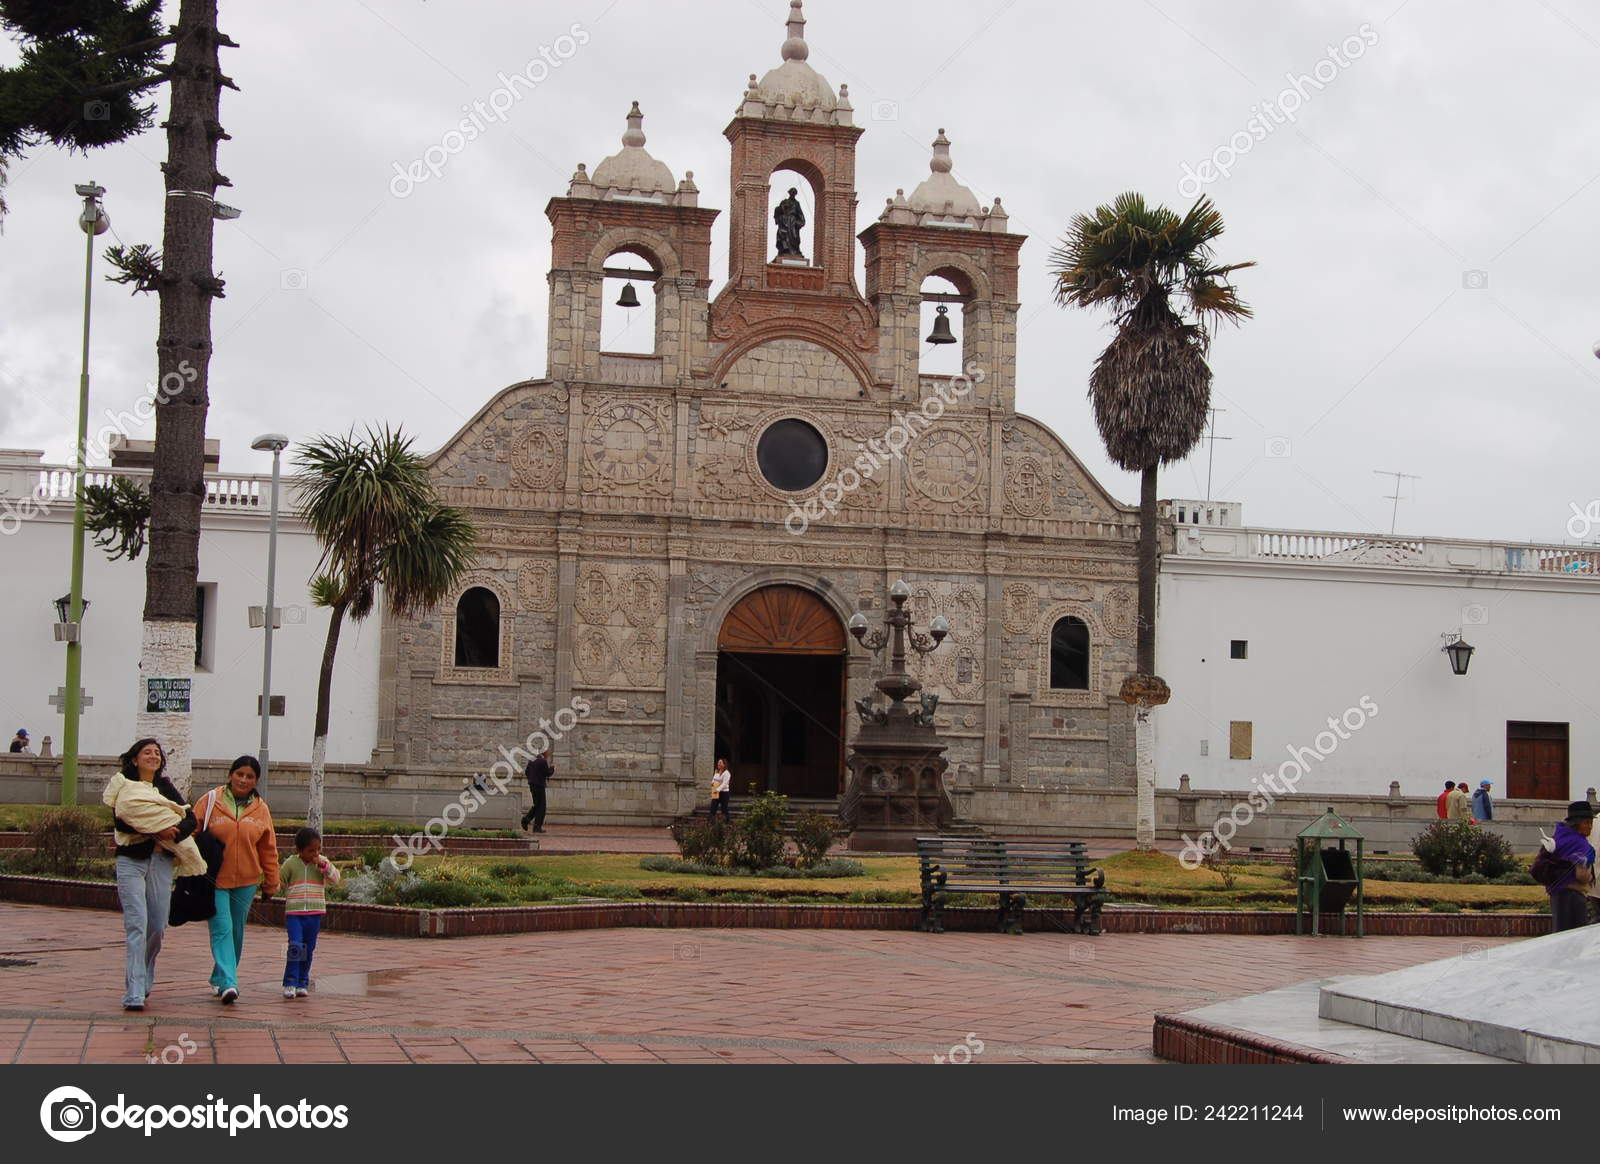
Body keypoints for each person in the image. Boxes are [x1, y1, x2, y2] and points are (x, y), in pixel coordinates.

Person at [106, 738, 195, 1011]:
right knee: (136, 924)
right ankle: (134, 990)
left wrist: (173, 833)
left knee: (156, 925)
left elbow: (191, 819)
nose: (153, 756)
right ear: (135, 758)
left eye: (157, 753)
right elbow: (121, 818)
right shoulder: (123, 783)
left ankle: (144, 974)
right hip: (131, 861)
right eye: (147, 752)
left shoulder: (165, 787)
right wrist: (155, 830)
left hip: (161, 861)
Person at [197, 756, 279, 1004]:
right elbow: (191, 829)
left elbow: (268, 847)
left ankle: (220, 976)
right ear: (230, 774)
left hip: (246, 880)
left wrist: (271, 881)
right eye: (240, 774)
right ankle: (230, 984)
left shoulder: (261, 809)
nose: (244, 780)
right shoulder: (211, 801)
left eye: (250, 776)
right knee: (222, 928)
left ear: (256, 781)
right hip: (214, 879)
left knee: (236, 932)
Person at [277, 827, 339, 999]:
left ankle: (303, 982)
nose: (315, 853)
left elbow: (336, 879)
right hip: (295, 914)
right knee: (296, 946)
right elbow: (280, 880)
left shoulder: (322, 863)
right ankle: (290, 981)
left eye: (318, 849)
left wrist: (325, 866)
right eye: (311, 850)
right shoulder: (291, 863)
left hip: (314, 913)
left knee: (309, 948)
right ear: (299, 850)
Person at [1542, 801, 1595, 933]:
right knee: (1574, 936)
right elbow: (1582, 876)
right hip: (1573, 894)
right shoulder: (1580, 843)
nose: (1590, 827)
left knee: (1560, 932)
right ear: (1577, 824)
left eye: (1591, 823)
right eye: (1586, 823)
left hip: (1557, 892)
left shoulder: (1559, 836)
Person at [521, 747, 552, 833]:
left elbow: (527, 772)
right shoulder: (543, 761)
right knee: (542, 807)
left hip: (532, 785)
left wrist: (531, 779)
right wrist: (552, 768)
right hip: (539, 785)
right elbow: (548, 773)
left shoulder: (532, 760)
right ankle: (536, 826)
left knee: (537, 805)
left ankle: (526, 820)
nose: (548, 754)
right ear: (544, 753)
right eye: (547, 753)